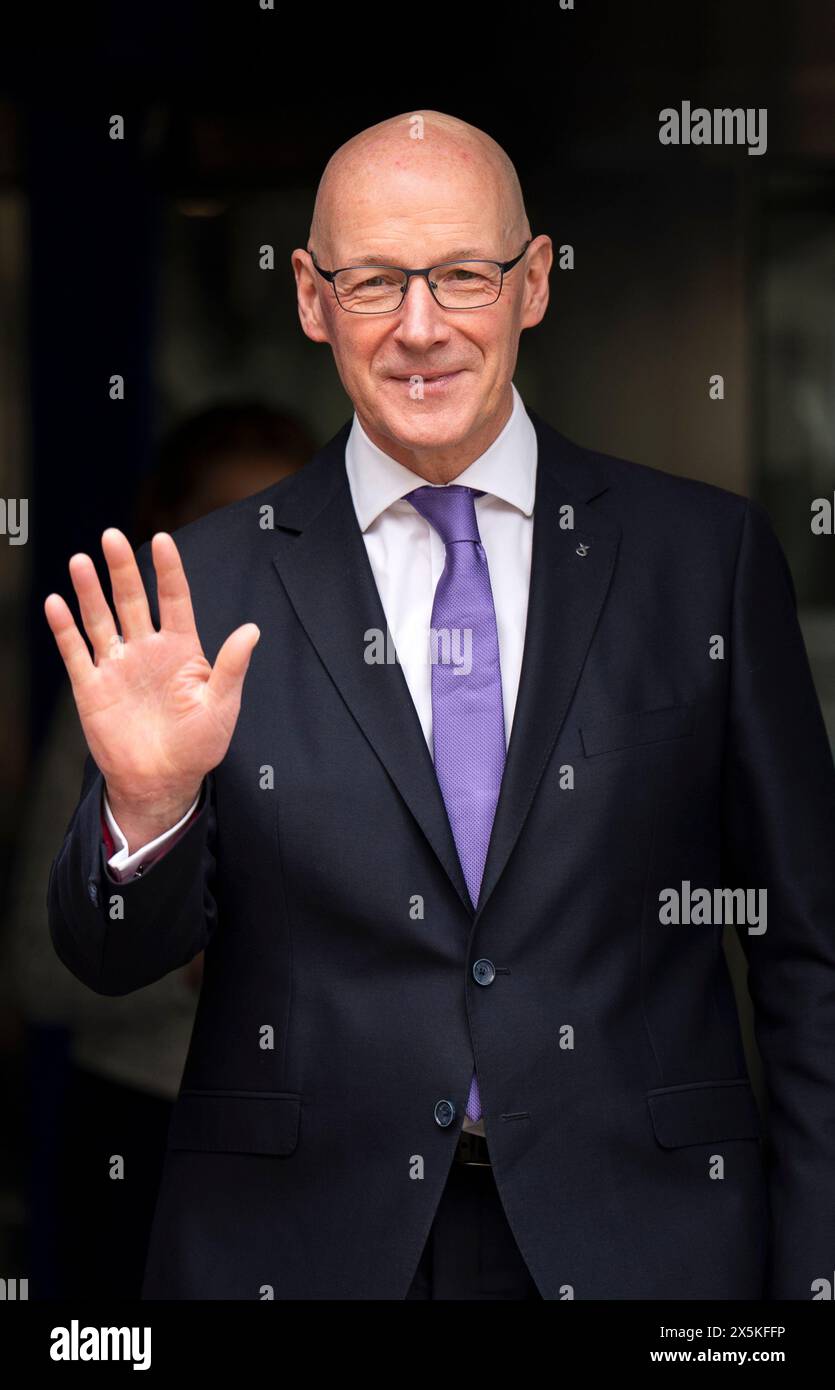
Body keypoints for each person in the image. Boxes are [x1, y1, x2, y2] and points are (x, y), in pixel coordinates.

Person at [45, 110, 835, 1301]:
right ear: (312, 299)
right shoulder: (201, 582)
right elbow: (106, 966)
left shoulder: (701, 560)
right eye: (373, 282)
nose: (421, 328)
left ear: (535, 282)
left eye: (463, 275)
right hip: (298, 1251)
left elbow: (809, 962)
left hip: (645, 1247)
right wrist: (147, 809)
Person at [11, 403, 313, 1297]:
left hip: (315, 1148)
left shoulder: (362, 692)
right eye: (224, 526)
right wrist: (195, 944)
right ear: (161, 535)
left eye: (289, 522)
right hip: (144, 1127)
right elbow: (35, 972)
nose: (261, 559)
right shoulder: (113, 712)